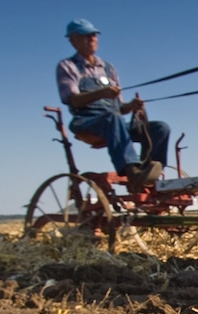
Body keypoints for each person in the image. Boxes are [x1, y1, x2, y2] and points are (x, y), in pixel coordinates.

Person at [57, 18, 171, 192]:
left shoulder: (108, 68)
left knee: (160, 128)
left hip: (113, 120)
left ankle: (150, 173)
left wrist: (132, 106)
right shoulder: (68, 66)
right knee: (112, 118)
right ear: (73, 40)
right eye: (86, 36)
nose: (92, 39)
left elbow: (119, 107)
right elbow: (72, 99)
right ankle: (132, 171)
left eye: (94, 35)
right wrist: (102, 93)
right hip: (86, 121)